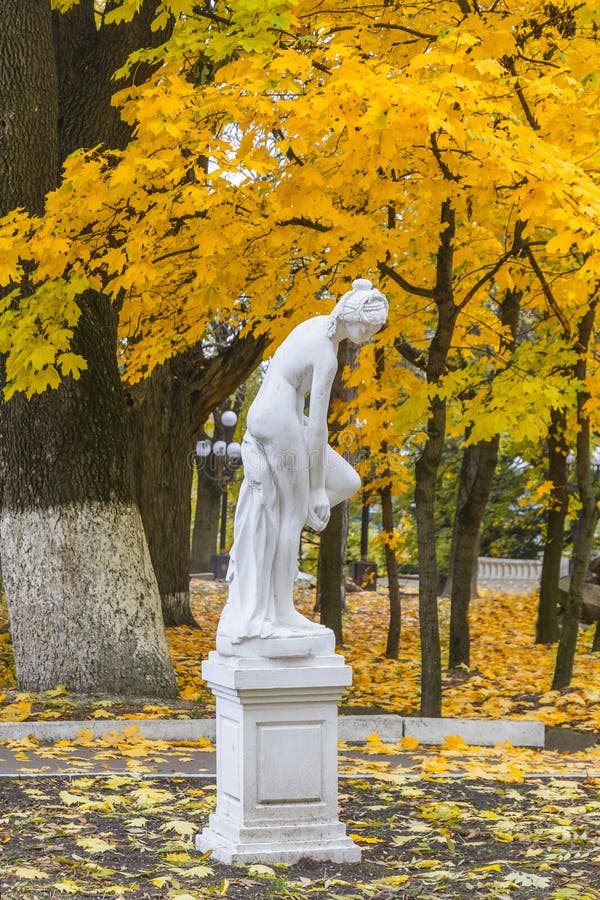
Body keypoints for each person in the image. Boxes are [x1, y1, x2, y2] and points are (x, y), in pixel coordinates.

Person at [217, 278, 388, 643]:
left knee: (348, 481)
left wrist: (316, 490)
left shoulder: (317, 326)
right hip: (280, 423)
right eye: (369, 328)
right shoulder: (327, 355)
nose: (369, 337)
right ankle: (282, 611)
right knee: (292, 516)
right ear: (353, 317)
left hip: (278, 417)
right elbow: (318, 428)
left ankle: (297, 525)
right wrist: (314, 490)